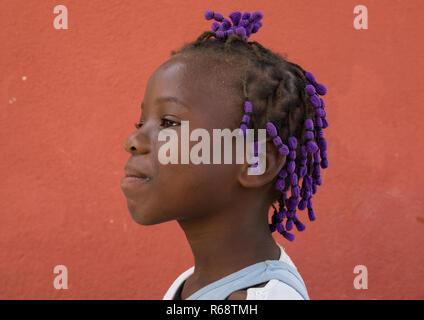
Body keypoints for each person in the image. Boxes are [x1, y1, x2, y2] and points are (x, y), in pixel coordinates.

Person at [121, 9, 329, 300]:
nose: (133, 140)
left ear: (254, 162)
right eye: (141, 123)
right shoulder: (191, 286)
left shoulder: (262, 298)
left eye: (169, 122)